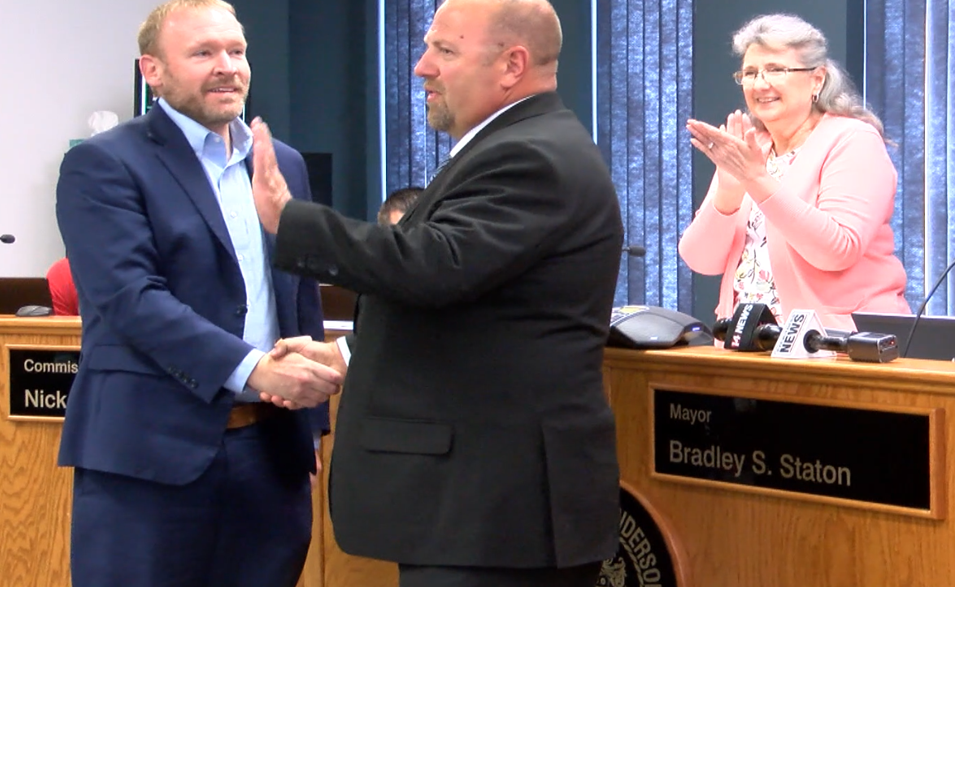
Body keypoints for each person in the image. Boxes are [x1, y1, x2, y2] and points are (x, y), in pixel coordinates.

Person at [250, 0, 624, 588]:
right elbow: (478, 307)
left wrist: (290, 220)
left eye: (445, 51)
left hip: (496, 516)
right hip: (475, 513)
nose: (421, 66)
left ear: (511, 65)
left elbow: (435, 265)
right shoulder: (510, 145)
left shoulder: (532, 155)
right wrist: (352, 354)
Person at [53, 0, 343, 587]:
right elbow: (131, 299)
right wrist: (255, 369)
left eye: (236, 51)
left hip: (272, 455)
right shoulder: (103, 164)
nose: (227, 67)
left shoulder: (280, 161)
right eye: (203, 53)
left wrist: (310, 424)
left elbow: (299, 294)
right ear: (151, 71)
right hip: (149, 457)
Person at [679, 13, 911, 334]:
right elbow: (700, 260)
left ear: (817, 79)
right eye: (750, 72)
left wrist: (756, 181)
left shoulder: (853, 140)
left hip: (838, 345)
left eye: (776, 70)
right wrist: (728, 193)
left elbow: (838, 250)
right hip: (747, 345)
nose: (761, 84)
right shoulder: (750, 145)